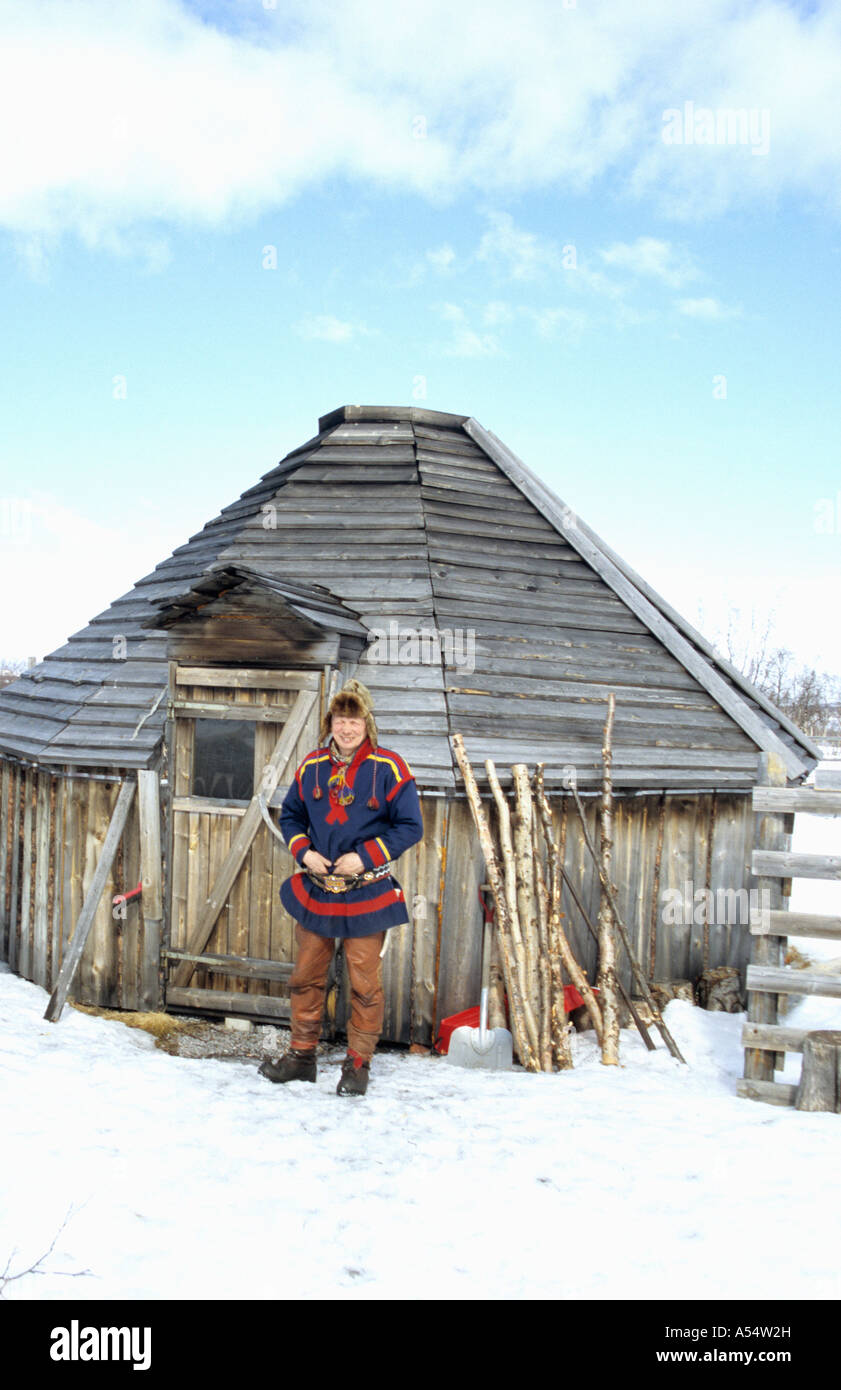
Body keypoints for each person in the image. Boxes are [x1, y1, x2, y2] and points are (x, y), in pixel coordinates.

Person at [259, 679, 423, 1096]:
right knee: (306, 976)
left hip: (367, 892)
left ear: (366, 724)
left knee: (365, 984)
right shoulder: (311, 766)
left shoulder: (390, 768)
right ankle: (301, 1057)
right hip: (317, 888)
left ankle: (357, 1064)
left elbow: (411, 826)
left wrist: (365, 857)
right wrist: (304, 853)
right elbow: (292, 816)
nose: (346, 728)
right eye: (339, 719)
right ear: (330, 721)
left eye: (354, 720)